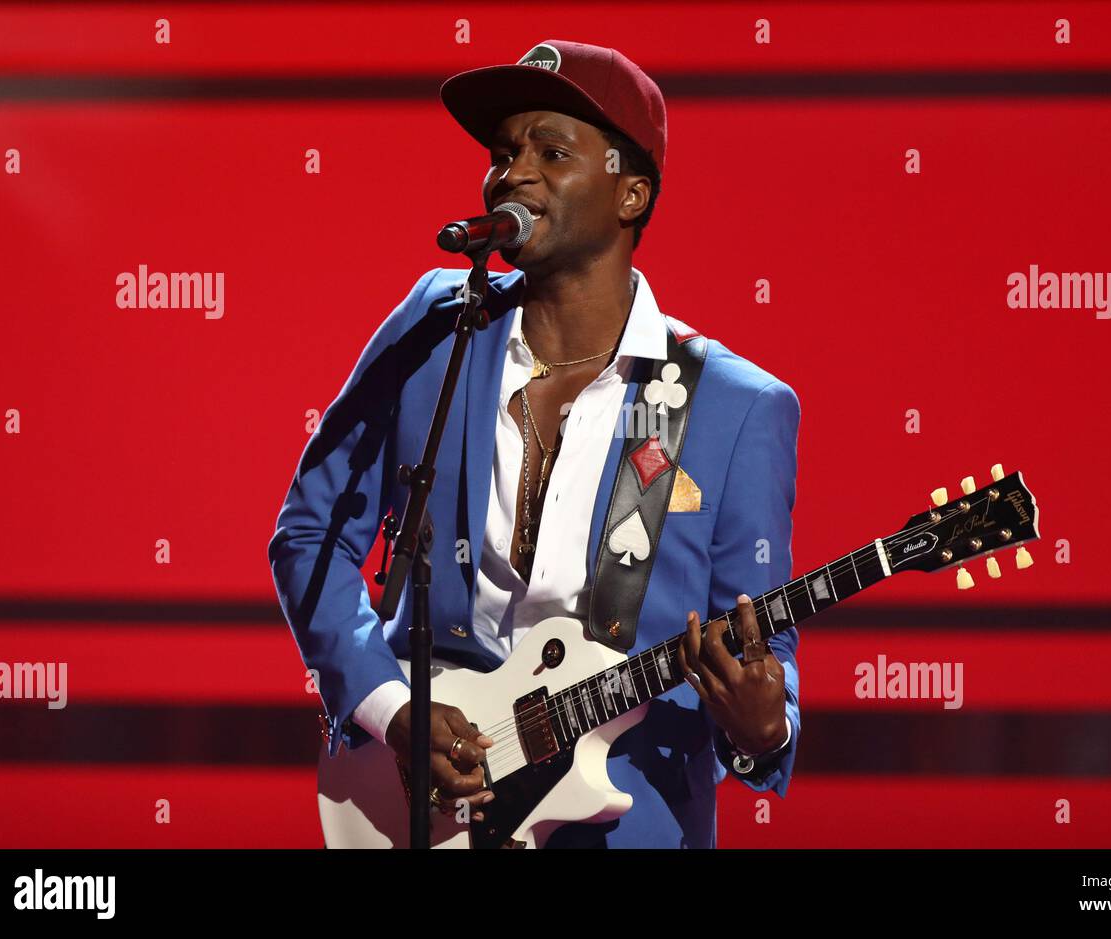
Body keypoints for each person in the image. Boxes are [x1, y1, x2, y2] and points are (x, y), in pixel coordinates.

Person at [269, 39, 802, 848]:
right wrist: (394, 709)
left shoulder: (733, 406)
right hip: (411, 810)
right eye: (503, 152)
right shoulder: (436, 329)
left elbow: (765, 650)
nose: (511, 172)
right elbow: (309, 535)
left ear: (631, 195)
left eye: (550, 151)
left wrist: (766, 727)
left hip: (624, 822)